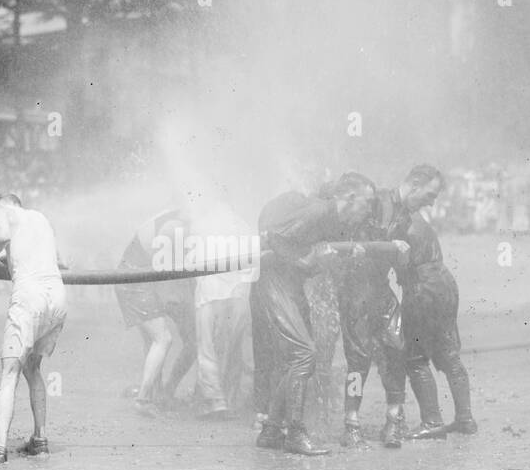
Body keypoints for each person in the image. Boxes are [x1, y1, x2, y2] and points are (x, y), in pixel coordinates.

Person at [252, 172, 376, 455]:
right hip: (274, 283)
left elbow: (314, 256)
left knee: (300, 357)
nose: (368, 211)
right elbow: (275, 237)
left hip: (290, 284)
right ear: (350, 198)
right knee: (304, 354)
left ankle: (272, 430)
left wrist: (333, 257)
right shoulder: (320, 210)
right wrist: (307, 261)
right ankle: (294, 433)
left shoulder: (335, 221)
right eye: (366, 204)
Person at [0, 194, 67, 464]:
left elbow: (0, 240)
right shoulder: (40, 218)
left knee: (9, 373)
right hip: (56, 298)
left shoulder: (2, 212)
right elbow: (60, 261)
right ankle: (40, 440)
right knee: (33, 369)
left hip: (29, 298)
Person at [398, 165, 477, 440]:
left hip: (424, 288)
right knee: (448, 354)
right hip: (443, 284)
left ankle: (432, 422)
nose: (432, 202)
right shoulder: (406, 214)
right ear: (413, 185)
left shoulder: (400, 215)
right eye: (429, 195)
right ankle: (465, 419)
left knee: (416, 359)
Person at [336, 181, 412, 448]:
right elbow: (332, 255)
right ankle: (352, 423)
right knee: (358, 362)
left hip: (381, 291)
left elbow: (401, 264)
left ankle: (394, 420)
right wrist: (349, 252)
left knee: (396, 349)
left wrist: (401, 253)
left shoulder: (402, 221)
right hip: (355, 296)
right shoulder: (352, 220)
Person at [114, 208, 198, 416]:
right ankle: (143, 399)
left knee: (157, 340)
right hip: (136, 281)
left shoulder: (170, 220)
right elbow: (172, 278)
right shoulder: (173, 227)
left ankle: (157, 394)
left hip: (140, 280)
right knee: (163, 339)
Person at [188, 201, 255, 419]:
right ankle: (234, 397)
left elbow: (191, 262)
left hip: (209, 294)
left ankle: (215, 401)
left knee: (207, 348)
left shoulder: (201, 225)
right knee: (234, 348)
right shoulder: (243, 225)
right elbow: (253, 266)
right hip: (238, 295)